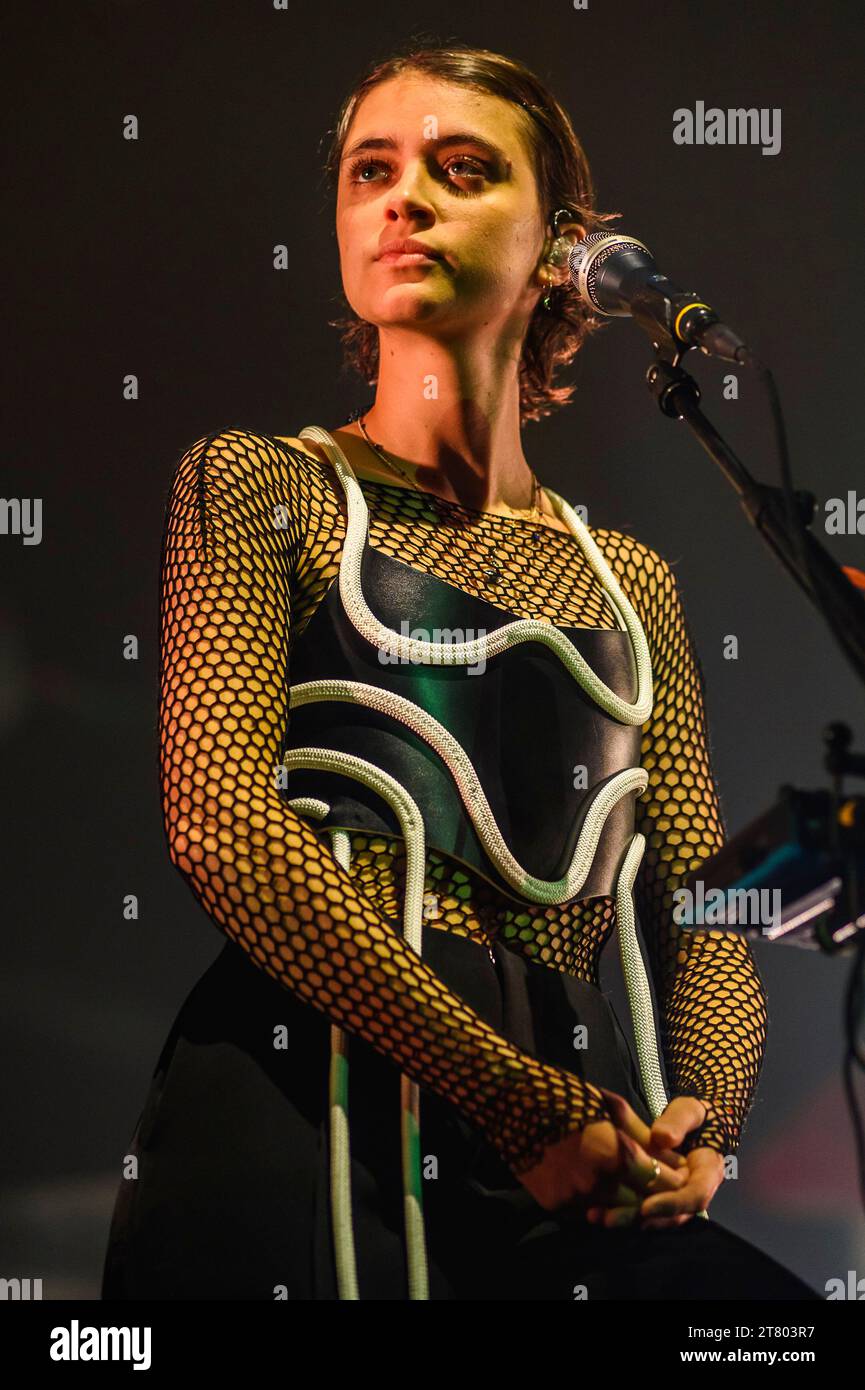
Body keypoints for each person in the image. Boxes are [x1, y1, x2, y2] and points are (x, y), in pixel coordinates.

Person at [101, 44, 820, 1301]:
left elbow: (701, 908)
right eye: (370, 170)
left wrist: (701, 1120)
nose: (403, 197)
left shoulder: (625, 575)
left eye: (462, 168)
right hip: (308, 1100)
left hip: (571, 1130)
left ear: (561, 248)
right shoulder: (261, 483)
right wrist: (508, 1093)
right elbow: (219, 823)